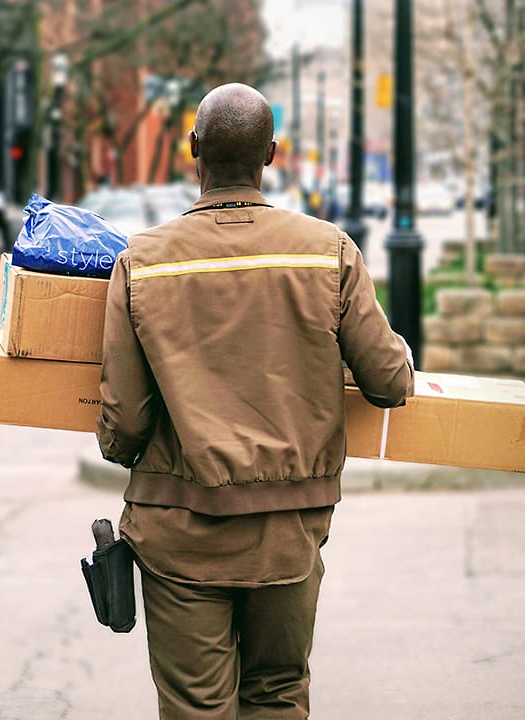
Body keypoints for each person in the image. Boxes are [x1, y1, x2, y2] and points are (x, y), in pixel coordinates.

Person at [97, 83, 413, 718]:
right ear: (271, 153)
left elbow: (125, 422)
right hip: (288, 533)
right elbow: (388, 383)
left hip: (178, 531)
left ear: (194, 151)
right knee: (276, 692)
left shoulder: (143, 261)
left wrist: (122, 447)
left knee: (195, 705)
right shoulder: (330, 253)